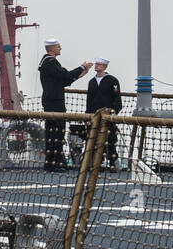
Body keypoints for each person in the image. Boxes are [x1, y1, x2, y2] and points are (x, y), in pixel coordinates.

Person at [39, 38, 91, 171]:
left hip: (53, 100)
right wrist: (81, 67)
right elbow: (64, 76)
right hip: (54, 102)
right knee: (56, 132)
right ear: (51, 48)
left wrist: (78, 75)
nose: (60, 48)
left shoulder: (49, 62)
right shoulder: (50, 62)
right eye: (58, 46)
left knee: (55, 132)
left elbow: (64, 79)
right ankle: (53, 163)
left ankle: (55, 161)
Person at [85, 56, 123, 168]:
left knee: (110, 138)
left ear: (105, 67)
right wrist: (88, 115)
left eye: (99, 64)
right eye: (96, 64)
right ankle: (98, 162)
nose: (96, 66)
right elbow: (89, 100)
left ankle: (112, 161)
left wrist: (114, 112)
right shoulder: (92, 82)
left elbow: (117, 98)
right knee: (94, 139)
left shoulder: (112, 81)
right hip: (94, 115)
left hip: (107, 114)